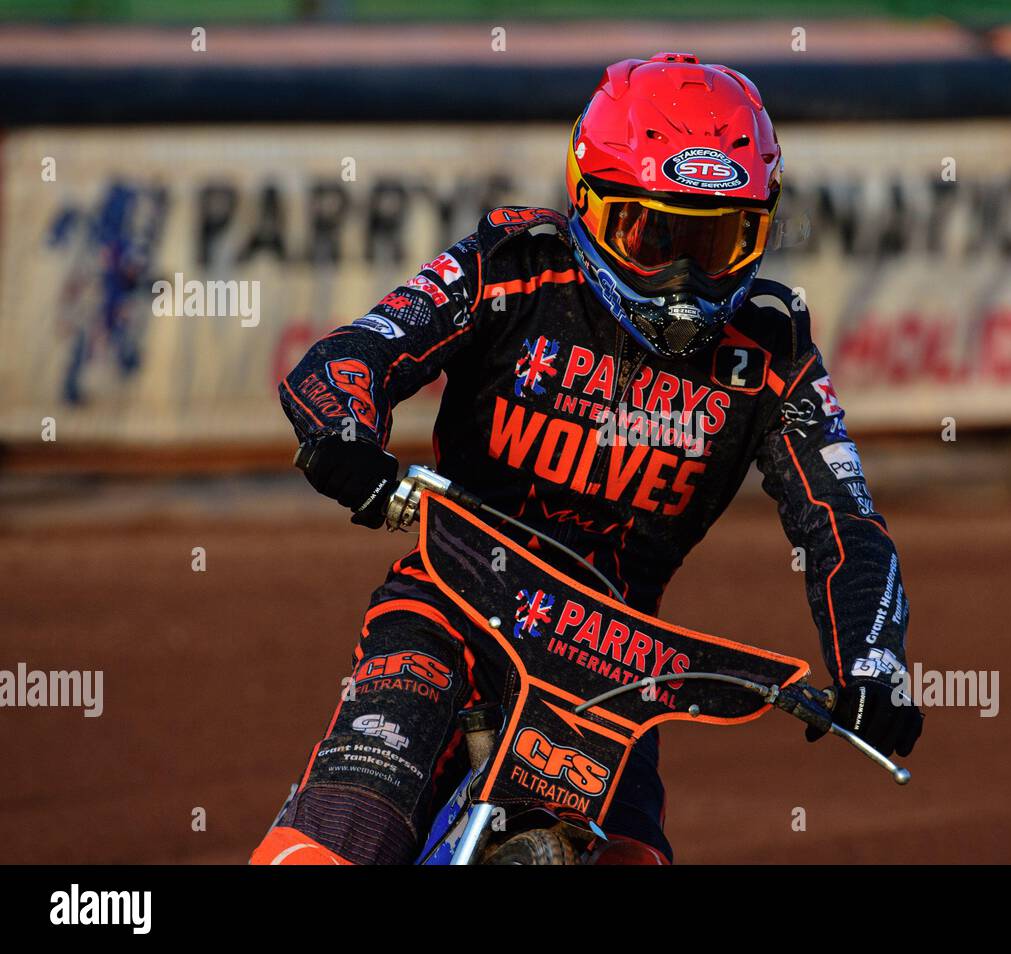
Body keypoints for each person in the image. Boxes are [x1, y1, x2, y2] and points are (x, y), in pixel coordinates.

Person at [251, 52, 921, 867]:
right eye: (655, 235)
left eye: (716, 242)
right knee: (343, 838)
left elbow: (844, 521)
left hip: (614, 665)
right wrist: (347, 440)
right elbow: (355, 353)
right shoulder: (513, 265)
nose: (683, 281)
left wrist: (873, 665)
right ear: (590, 205)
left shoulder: (772, 348)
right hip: (449, 607)